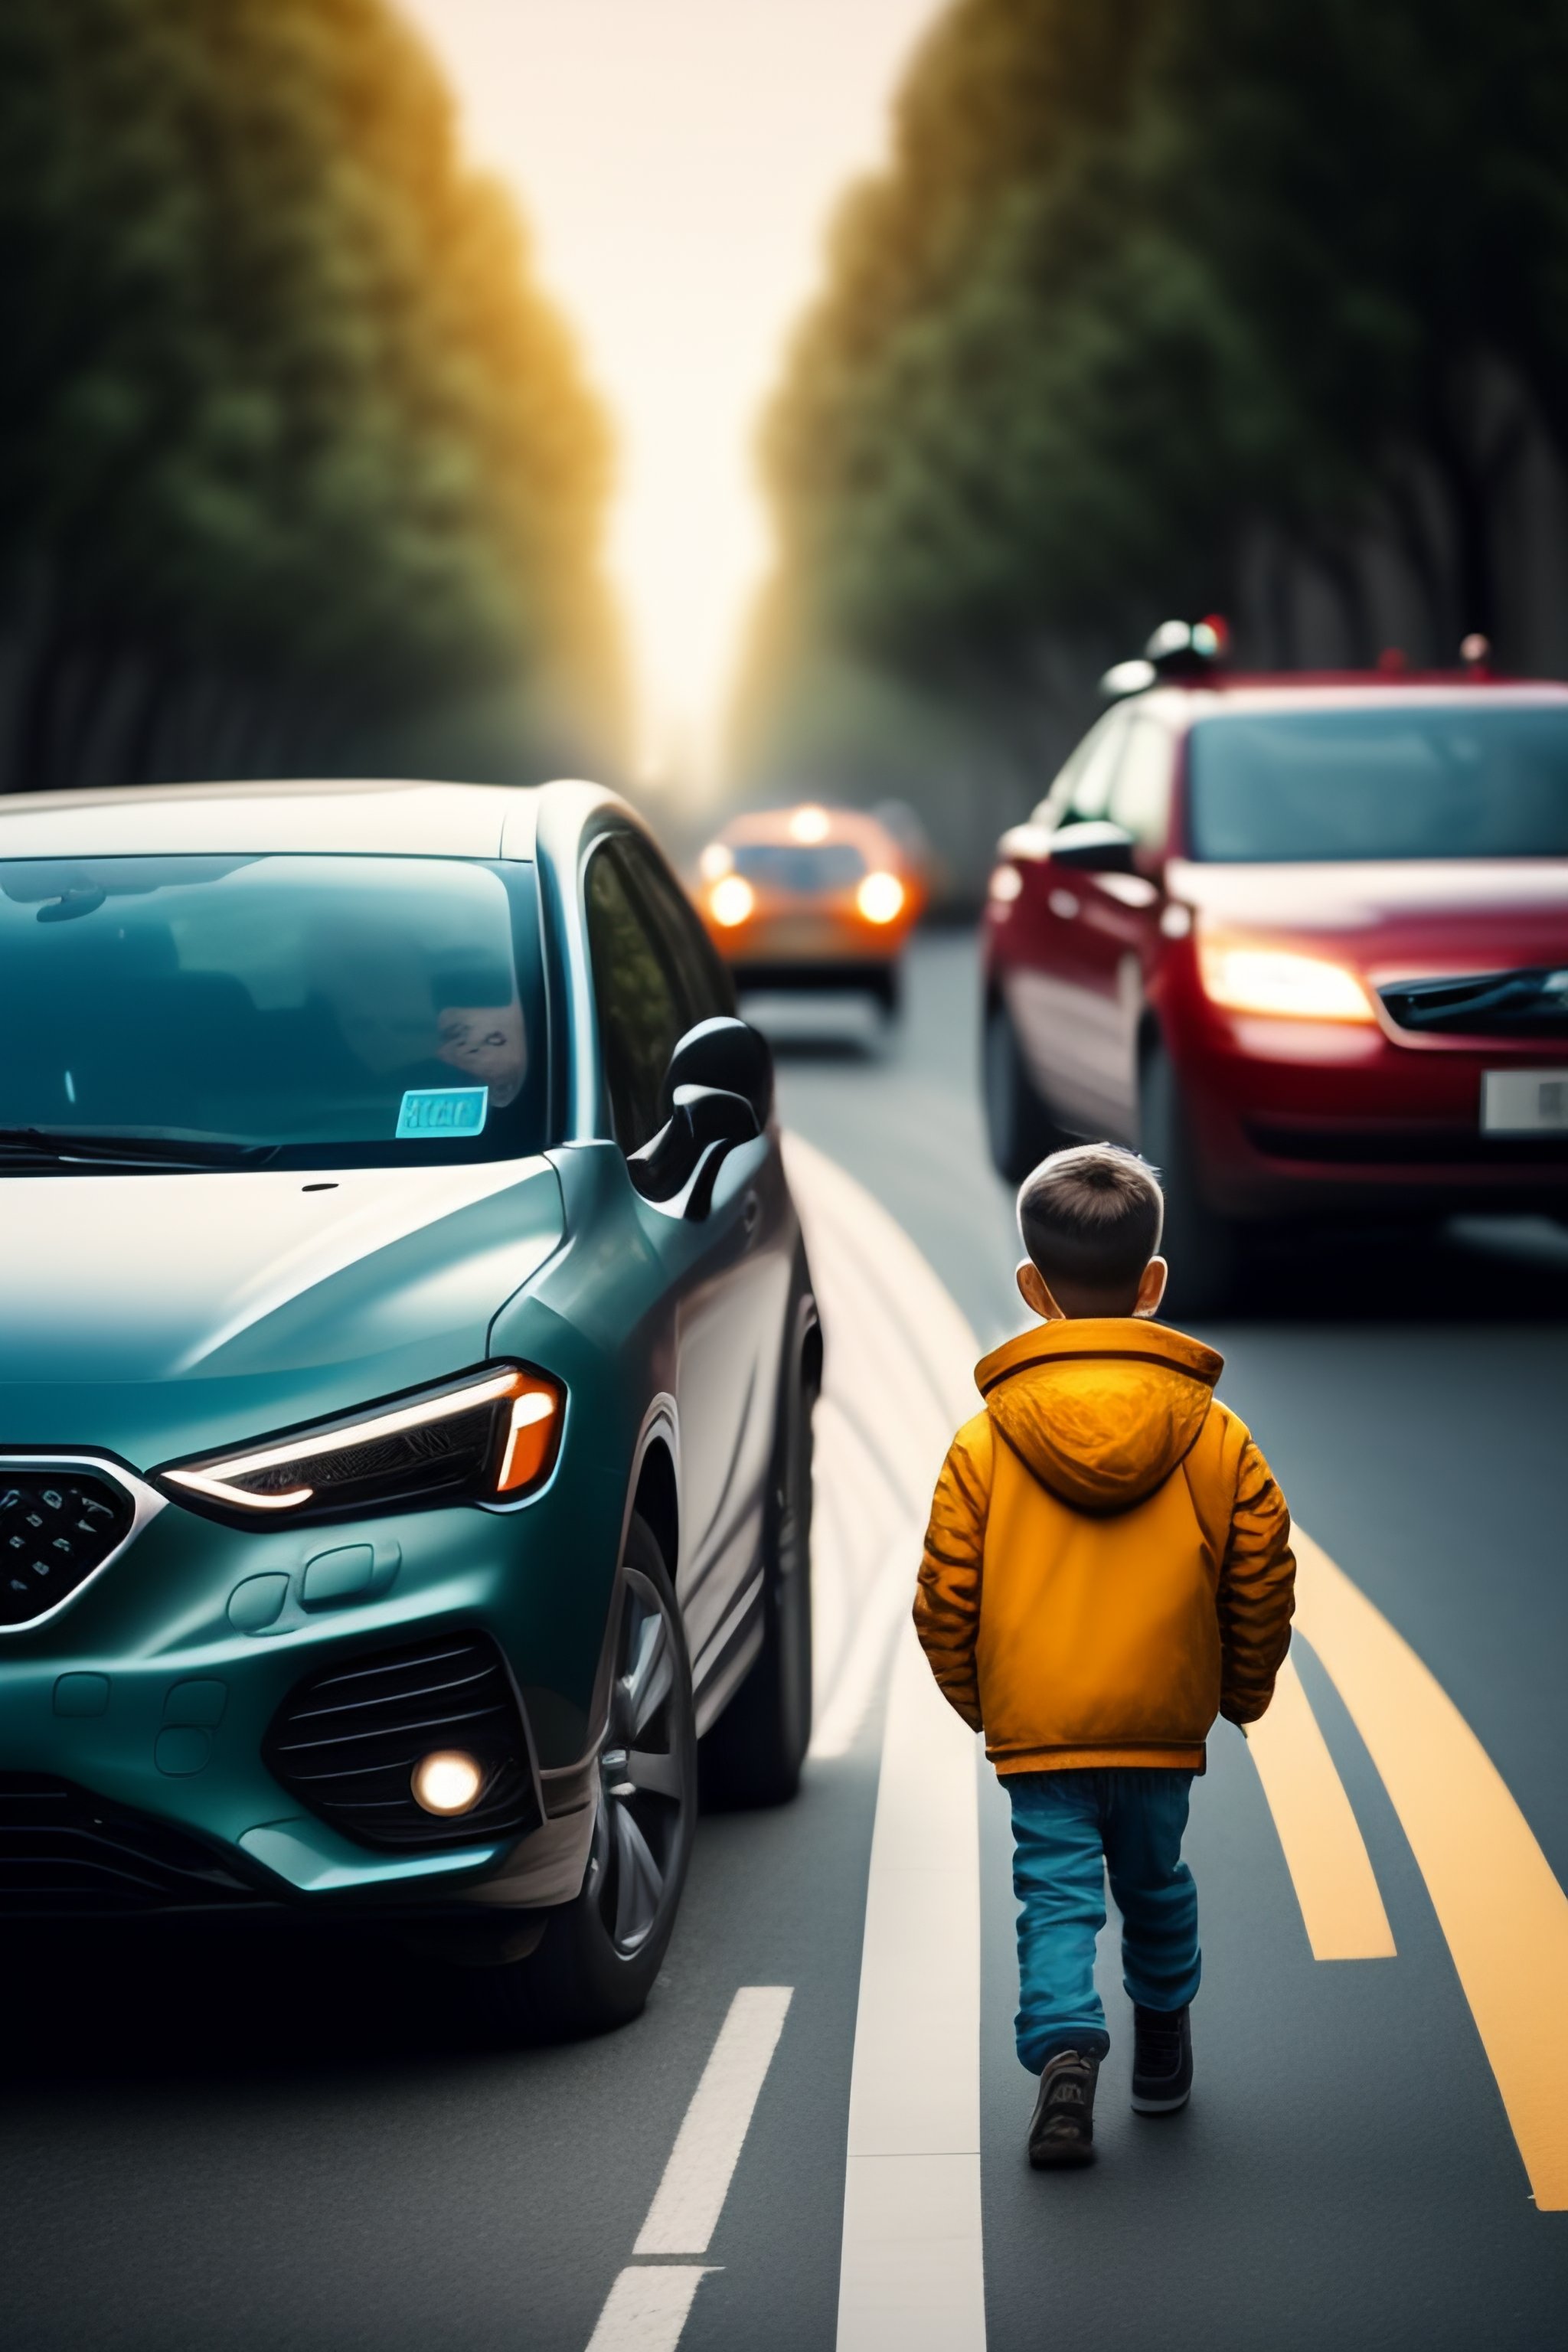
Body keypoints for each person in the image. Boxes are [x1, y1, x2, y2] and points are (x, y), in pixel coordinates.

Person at [913, 1142, 1295, 2167]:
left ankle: (1066, 2057)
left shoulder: (984, 1443)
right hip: (1161, 1725)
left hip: (1042, 1728)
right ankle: (1162, 2037)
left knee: (1057, 1893)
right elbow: (1260, 1570)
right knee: (1156, 1882)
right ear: (1154, 1284)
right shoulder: (1217, 1437)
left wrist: (987, 1701)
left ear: (1032, 1289)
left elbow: (945, 1593)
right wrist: (1241, 1691)